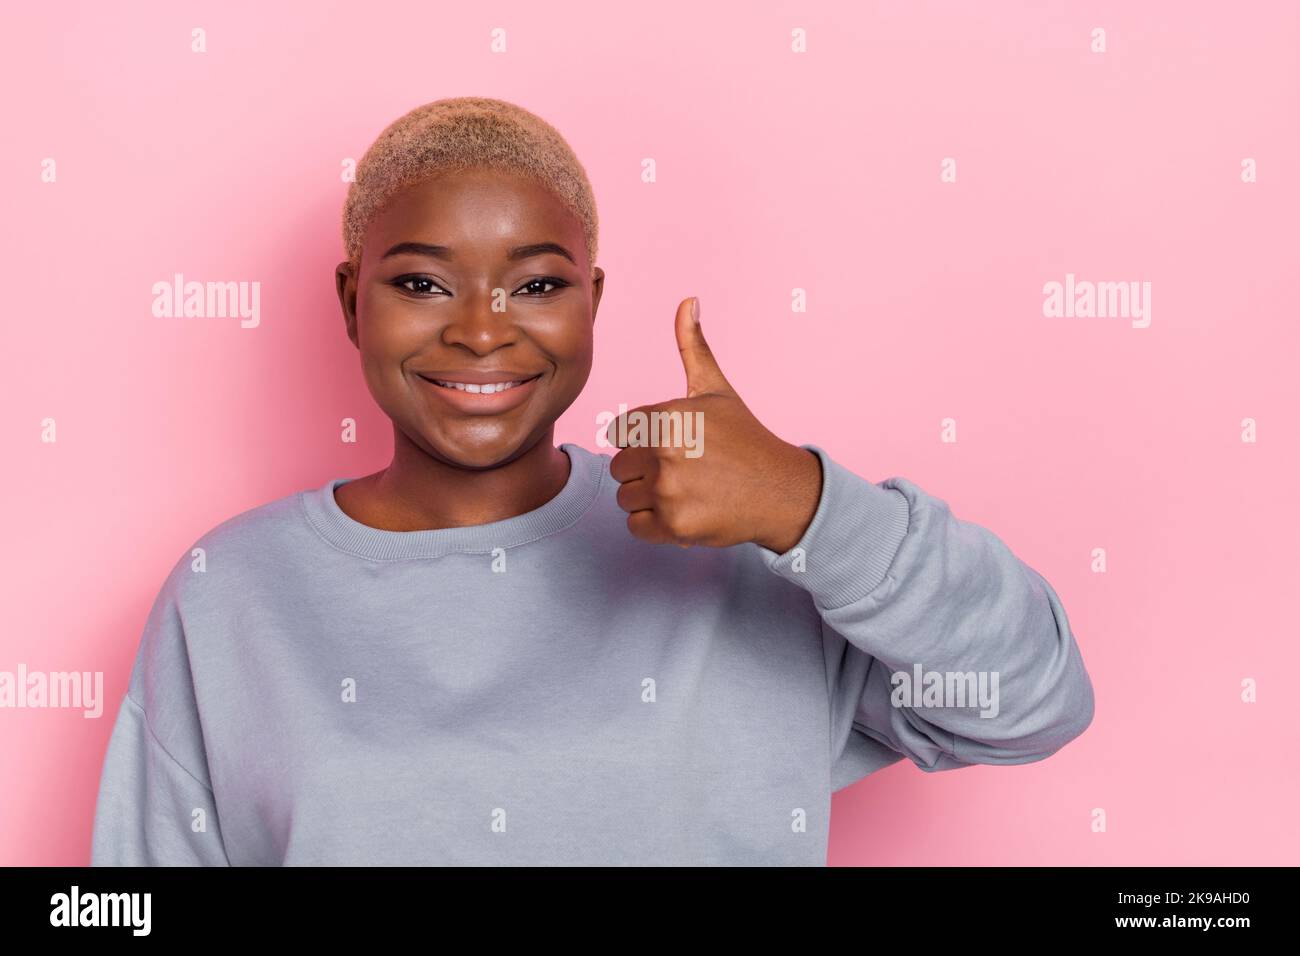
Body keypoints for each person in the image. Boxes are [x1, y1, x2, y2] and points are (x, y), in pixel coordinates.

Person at [90, 96, 1094, 866]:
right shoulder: (235, 592)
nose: (481, 328)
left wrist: (808, 503)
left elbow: (1030, 701)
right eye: (420, 282)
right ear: (353, 300)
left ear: (592, 301)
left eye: (536, 284)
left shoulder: (750, 550)